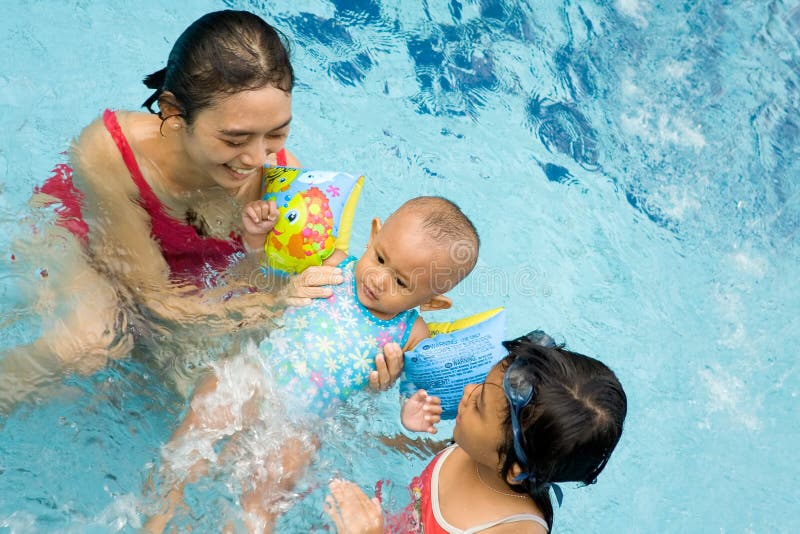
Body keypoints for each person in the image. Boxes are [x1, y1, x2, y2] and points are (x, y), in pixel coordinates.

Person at [0, 10, 403, 413]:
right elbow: (153, 301)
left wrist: (369, 358)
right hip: (87, 239)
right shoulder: (113, 153)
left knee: (212, 394)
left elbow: (327, 284)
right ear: (173, 112)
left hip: (189, 274)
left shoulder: (283, 181)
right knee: (92, 341)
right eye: (235, 140)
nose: (257, 158)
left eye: (277, 133)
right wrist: (276, 301)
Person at [146, 196, 480, 532]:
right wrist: (255, 239)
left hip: (300, 426)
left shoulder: (411, 334)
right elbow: (266, 276)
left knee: (260, 506)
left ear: (432, 302)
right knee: (189, 447)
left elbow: (415, 389)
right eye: (380, 258)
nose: (379, 280)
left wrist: (410, 410)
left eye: (401, 282)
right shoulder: (331, 263)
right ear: (373, 234)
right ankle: (158, 519)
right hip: (253, 378)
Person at [323, 337, 628, 533]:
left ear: (514, 469)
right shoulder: (483, 451)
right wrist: (402, 435)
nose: (468, 391)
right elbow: (441, 456)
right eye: (482, 383)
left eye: (480, 405)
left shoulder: (511, 529)